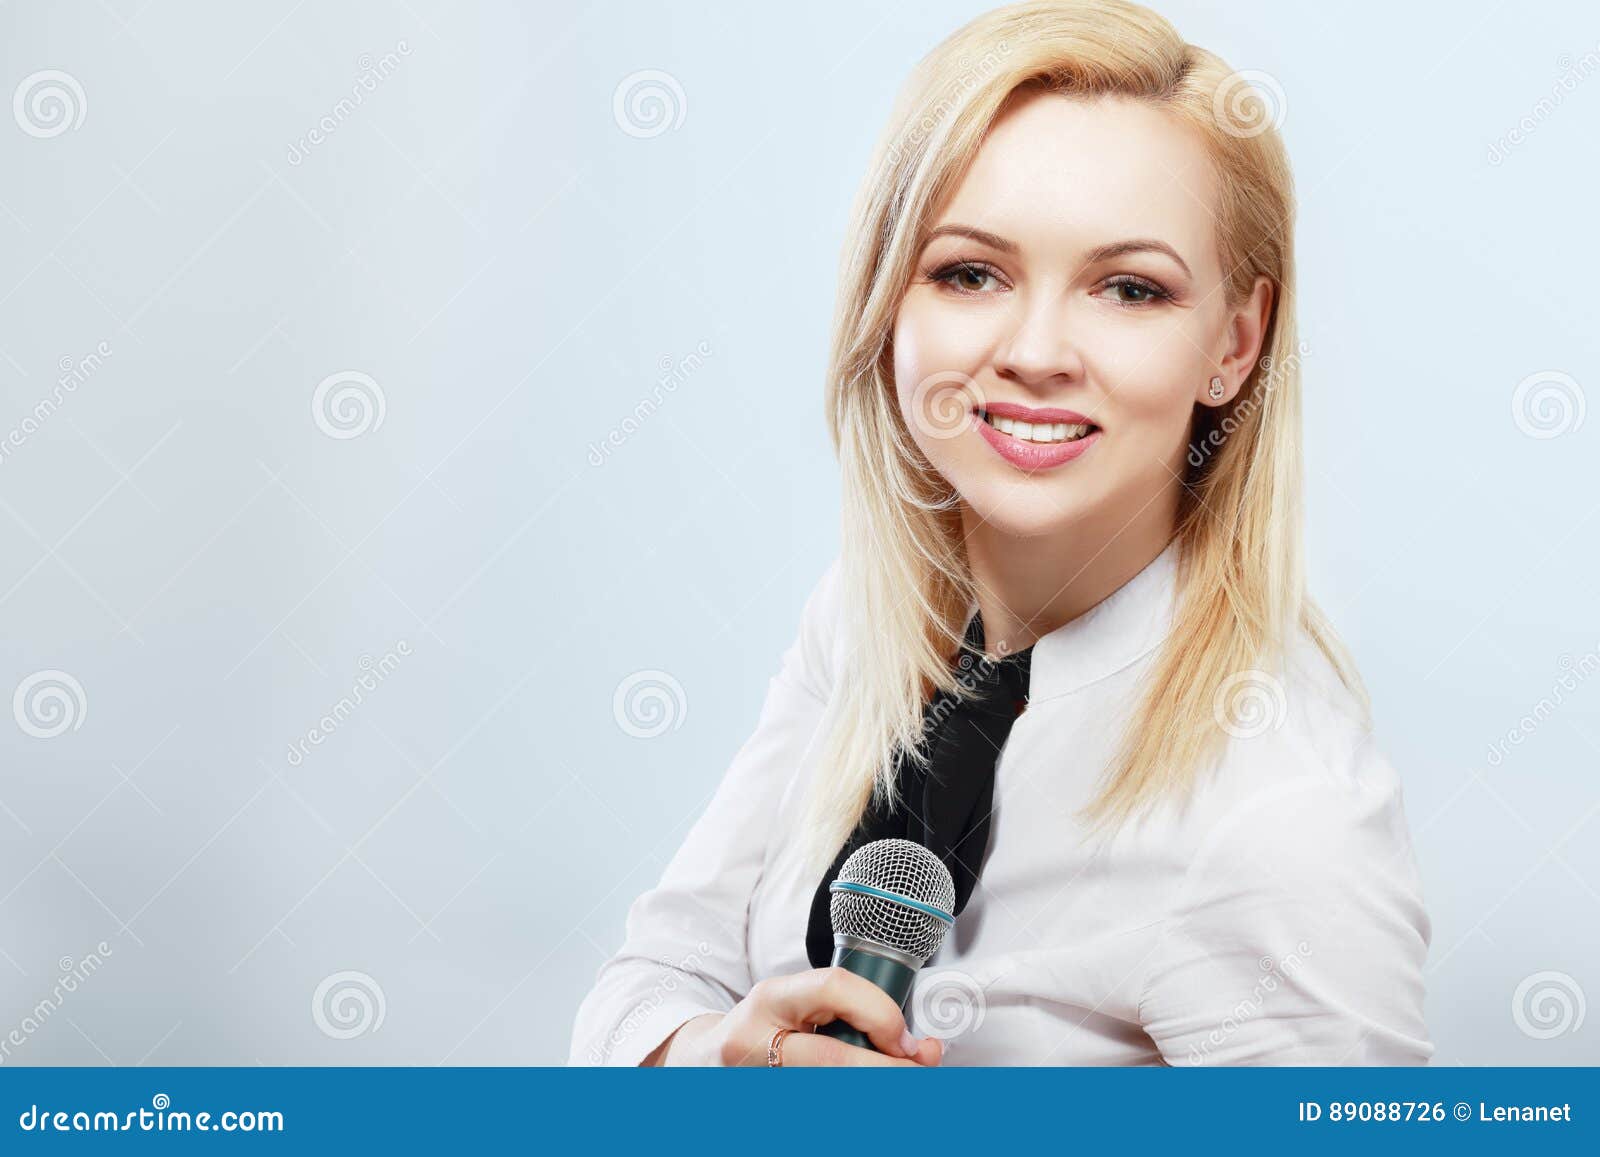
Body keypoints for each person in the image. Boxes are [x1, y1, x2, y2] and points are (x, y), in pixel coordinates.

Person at [570, 0, 1432, 1066]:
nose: (1034, 351)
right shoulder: (869, 617)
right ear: (891, 300)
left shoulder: (1280, 812)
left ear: (1234, 343)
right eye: (970, 272)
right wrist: (718, 1060)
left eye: (1128, 288)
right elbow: (647, 984)